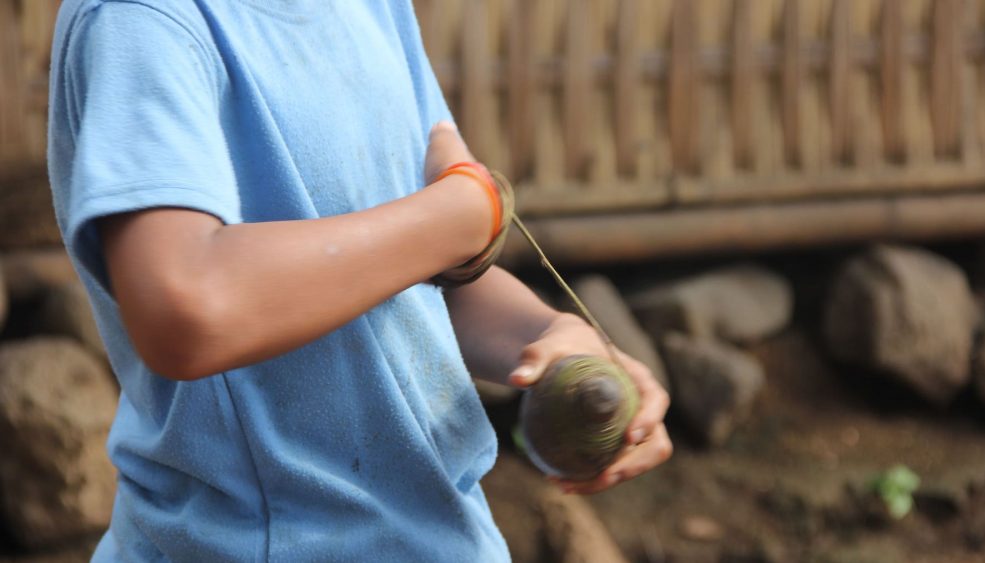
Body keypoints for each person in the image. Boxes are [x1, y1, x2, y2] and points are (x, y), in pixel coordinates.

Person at [47, 0, 672, 560]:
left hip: (449, 536)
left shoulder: (376, 8)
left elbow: (431, 278)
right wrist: (457, 216)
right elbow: (185, 307)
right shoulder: (141, 21)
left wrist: (551, 334)